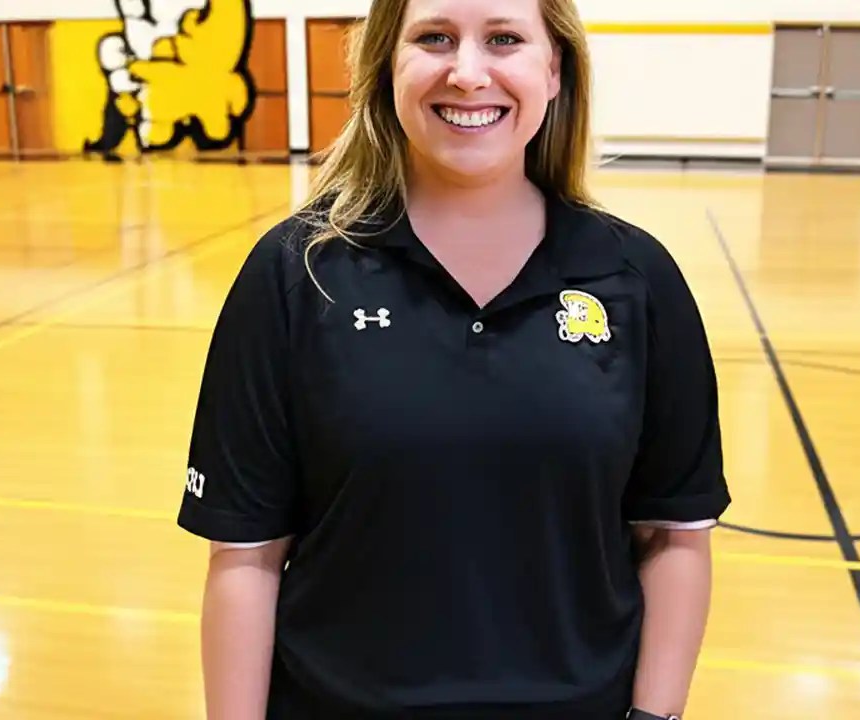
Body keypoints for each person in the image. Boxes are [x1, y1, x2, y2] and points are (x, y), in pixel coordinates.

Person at [176, 0, 730, 717]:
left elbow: (673, 536)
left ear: (554, 69)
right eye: (434, 38)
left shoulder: (637, 279)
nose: (467, 73)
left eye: (504, 39)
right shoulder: (295, 273)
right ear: (386, 65)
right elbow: (246, 556)